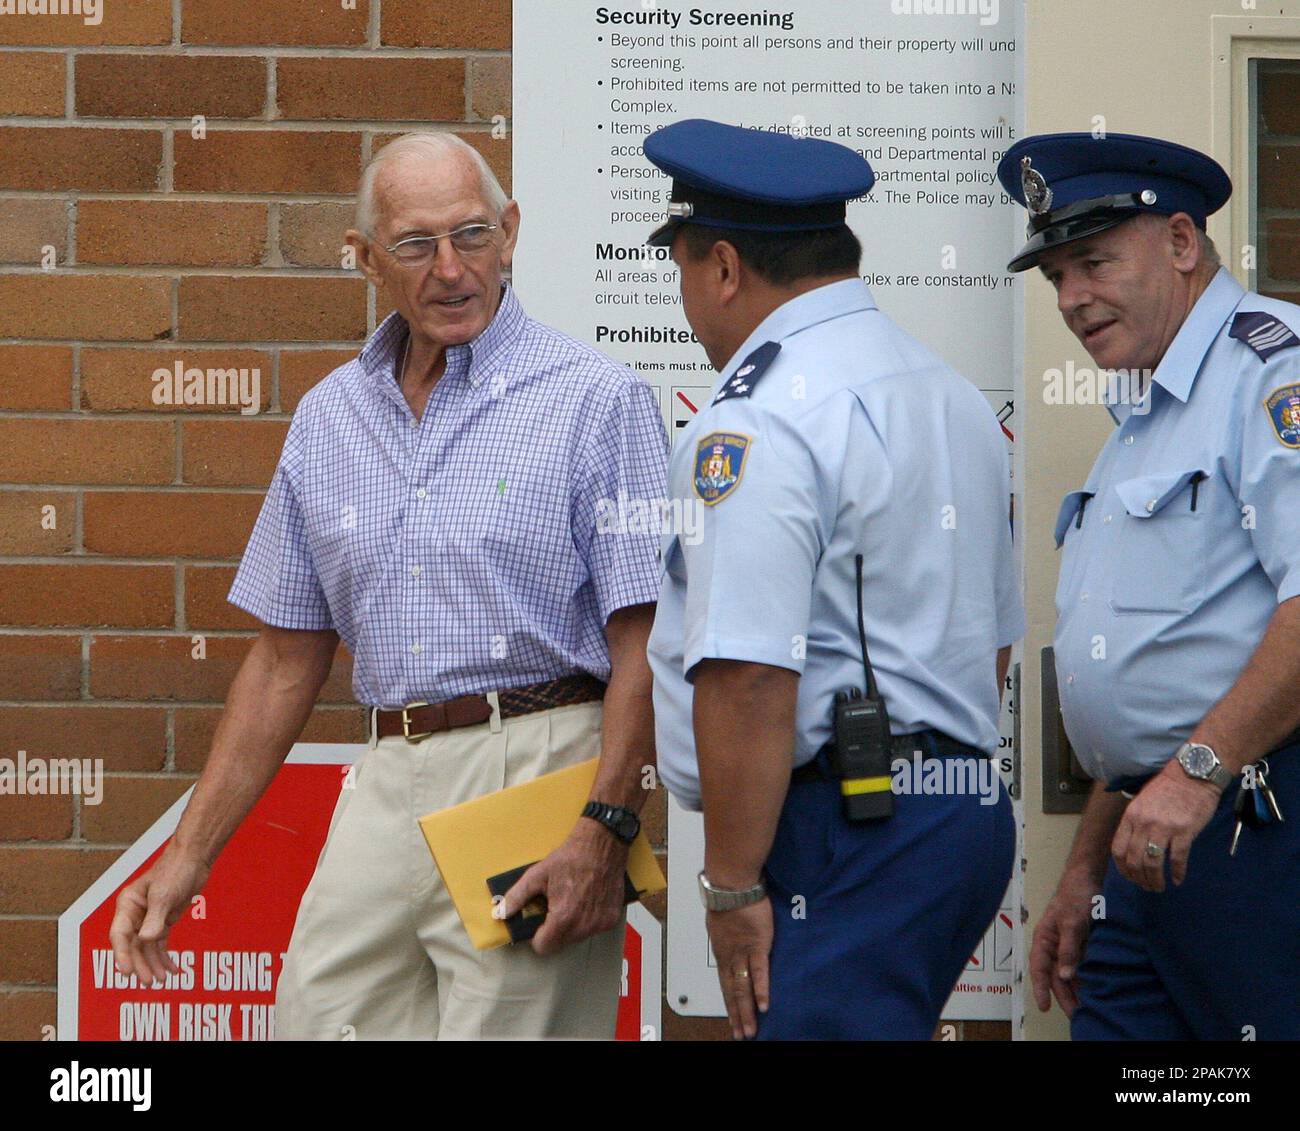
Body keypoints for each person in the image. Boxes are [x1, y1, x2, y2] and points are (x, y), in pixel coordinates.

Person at [108, 131, 668, 1040]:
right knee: (314, 1020)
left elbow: (648, 640)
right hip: (387, 773)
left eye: (474, 235)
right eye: (416, 244)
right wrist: (188, 857)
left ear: (512, 232)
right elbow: (286, 659)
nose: (452, 269)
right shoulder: (330, 416)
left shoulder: (597, 399)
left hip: (534, 763)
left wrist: (606, 824)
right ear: (367, 258)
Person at [643, 119, 1025, 1040]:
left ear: (726, 267)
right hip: (954, 813)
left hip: (848, 822)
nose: (690, 302)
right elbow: (997, 644)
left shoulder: (755, 421)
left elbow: (746, 675)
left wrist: (731, 883)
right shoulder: (948, 393)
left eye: (686, 272)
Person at [1003, 132, 1300, 1040]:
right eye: (1056, 276)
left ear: (1180, 242)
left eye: (1093, 261)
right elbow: (1155, 679)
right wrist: (1085, 865)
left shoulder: (1272, 372)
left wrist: (1196, 774)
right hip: (1152, 833)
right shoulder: (1143, 410)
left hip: (1255, 826)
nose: (1072, 298)